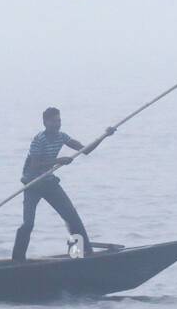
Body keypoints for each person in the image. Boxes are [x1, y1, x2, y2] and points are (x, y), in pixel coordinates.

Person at [12, 107, 114, 261]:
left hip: (48, 183)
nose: (57, 124)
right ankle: (17, 260)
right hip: (32, 184)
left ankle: (78, 254)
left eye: (59, 120)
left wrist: (104, 136)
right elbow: (34, 165)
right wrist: (58, 161)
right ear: (45, 122)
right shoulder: (39, 139)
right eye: (53, 121)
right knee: (28, 224)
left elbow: (85, 150)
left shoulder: (62, 137)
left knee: (72, 217)